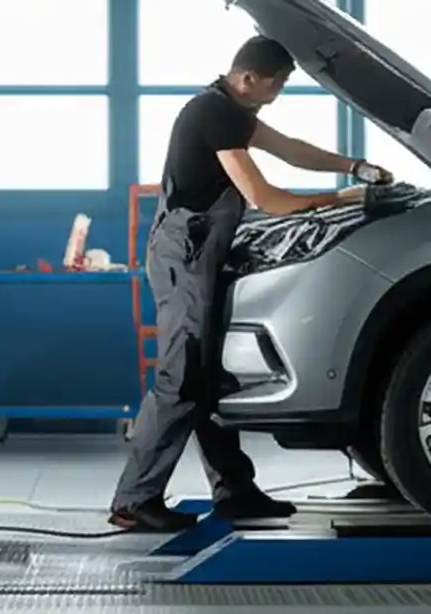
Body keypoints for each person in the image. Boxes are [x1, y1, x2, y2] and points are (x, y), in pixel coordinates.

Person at [109, 36, 393, 532]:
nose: (278, 92)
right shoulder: (212, 113)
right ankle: (135, 501)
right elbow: (266, 197)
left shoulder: (231, 109)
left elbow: (291, 150)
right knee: (181, 378)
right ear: (248, 79)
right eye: (276, 84)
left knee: (209, 378)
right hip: (185, 255)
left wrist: (354, 165)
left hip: (204, 254)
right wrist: (341, 198)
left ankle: (235, 492)